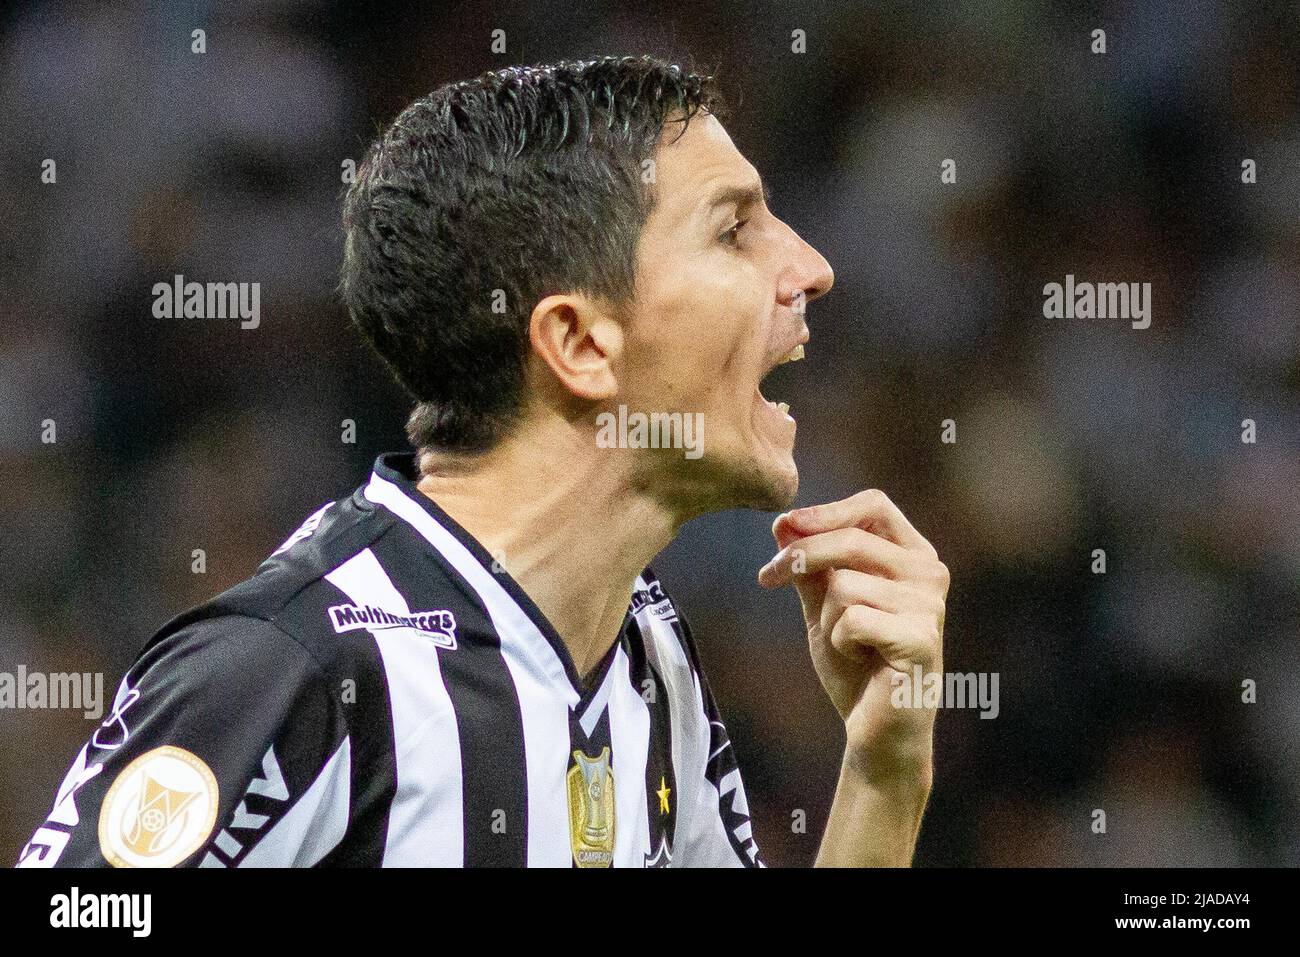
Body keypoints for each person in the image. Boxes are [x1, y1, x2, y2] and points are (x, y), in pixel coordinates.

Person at [19, 54, 947, 869]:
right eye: (734, 230)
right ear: (580, 342)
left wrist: (884, 773)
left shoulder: (645, 653)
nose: (812, 266)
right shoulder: (299, 666)